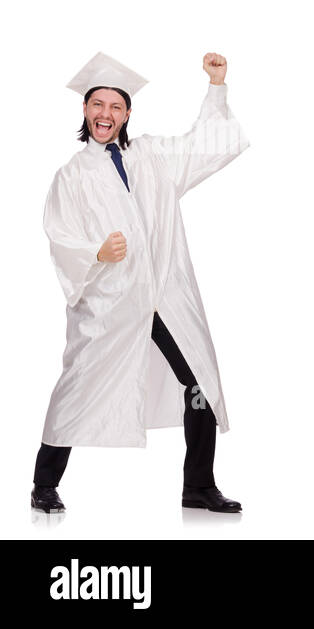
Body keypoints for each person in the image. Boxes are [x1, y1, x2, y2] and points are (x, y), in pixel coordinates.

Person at [32, 52, 248, 514]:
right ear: (85, 110)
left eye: (115, 107)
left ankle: (199, 485)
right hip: (110, 300)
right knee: (78, 387)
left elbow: (204, 146)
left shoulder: (152, 156)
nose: (105, 115)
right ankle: (43, 484)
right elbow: (58, 234)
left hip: (165, 295)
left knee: (200, 384)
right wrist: (95, 252)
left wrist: (216, 85)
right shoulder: (73, 175)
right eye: (97, 105)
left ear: (127, 113)